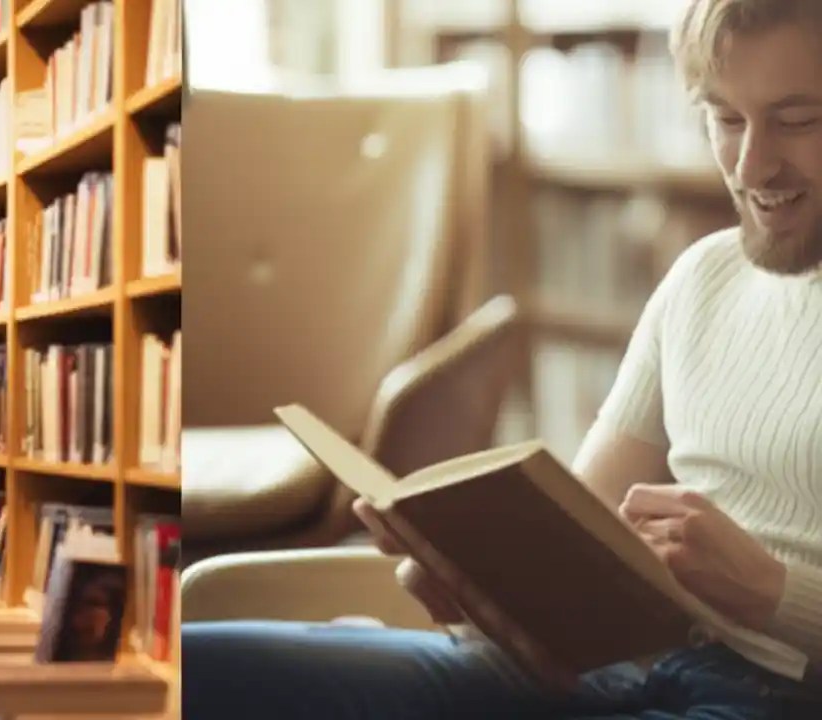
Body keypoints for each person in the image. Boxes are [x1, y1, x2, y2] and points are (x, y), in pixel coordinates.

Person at [182, 0, 822, 717]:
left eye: (797, 121)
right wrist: (488, 592)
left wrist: (774, 593)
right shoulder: (702, 279)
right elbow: (583, 549)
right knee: (195, 666)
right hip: (629, 672)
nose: (751, 164)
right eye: (726, 119)